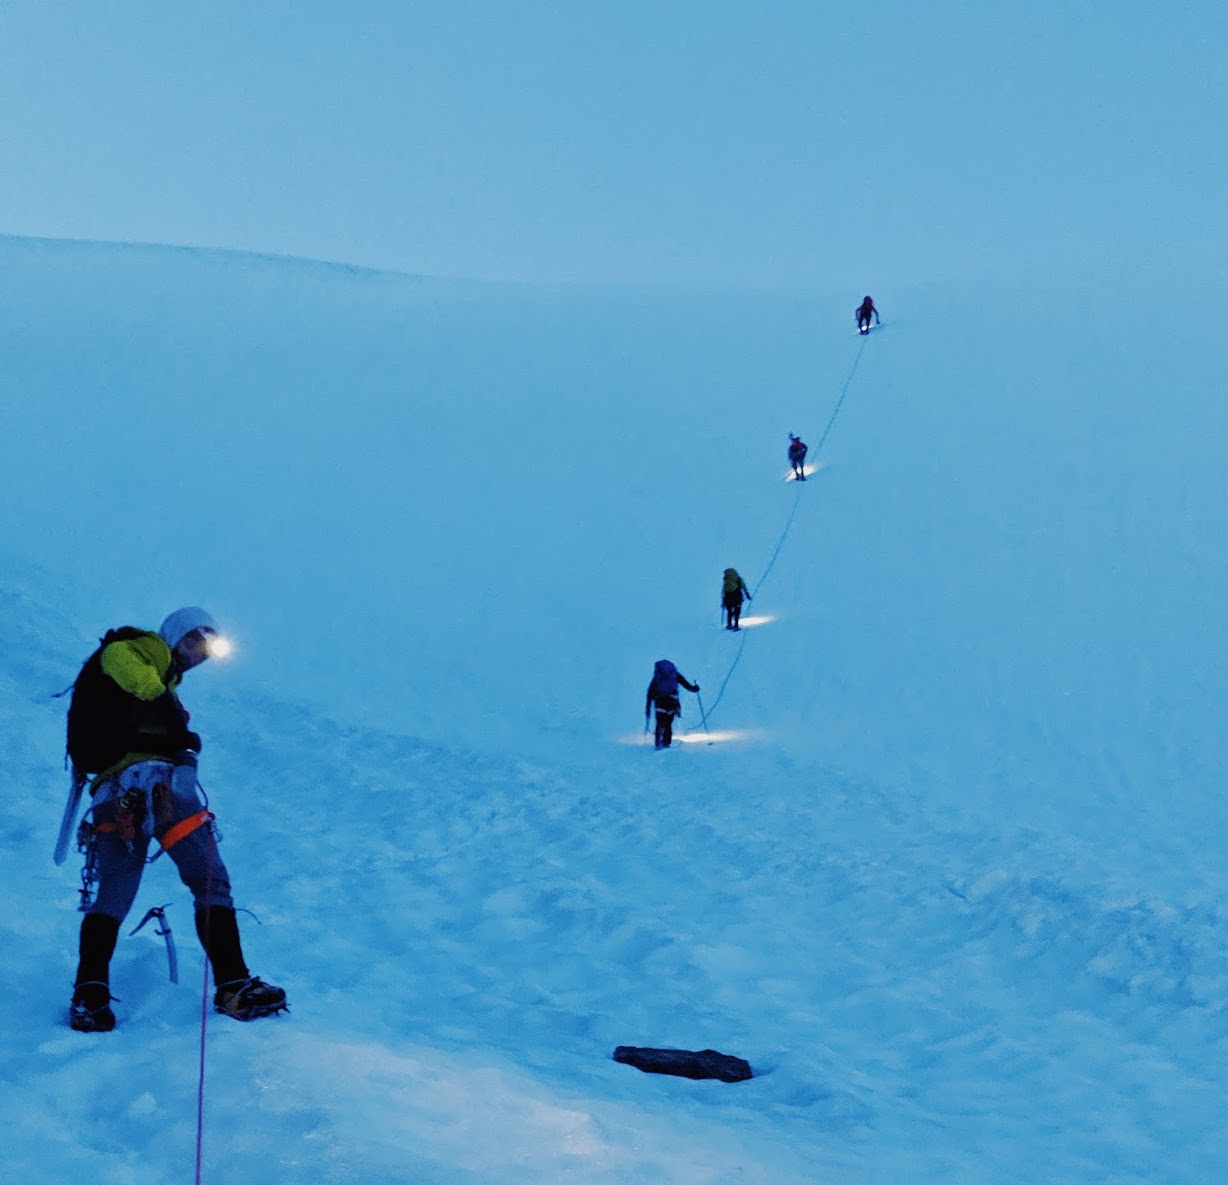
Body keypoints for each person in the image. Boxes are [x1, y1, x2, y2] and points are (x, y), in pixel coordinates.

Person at [66, 607, 286, 1032]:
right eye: (192, 640)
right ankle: (233, 986)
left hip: (112, 794)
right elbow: (132, 673)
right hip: (158, 785)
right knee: (209, 880)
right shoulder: (133, 650)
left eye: (205, 648)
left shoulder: (148, 682)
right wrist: (179, 731)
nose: (198, 653)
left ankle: (89, 997)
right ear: (171, 635)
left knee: (113, 894)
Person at [644, 659, 699, 750]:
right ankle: (666, 743)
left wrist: (648, 709)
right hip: (672, 702)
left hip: (659, 703)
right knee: (668, 723)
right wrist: (695, 688)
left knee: (660, 722)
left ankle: (658, 744)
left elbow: (649, 693)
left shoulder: (657, 677)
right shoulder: (674, 675)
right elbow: (687, 685)